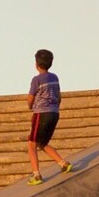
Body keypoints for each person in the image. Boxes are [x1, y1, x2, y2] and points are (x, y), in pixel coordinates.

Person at [23, 49, 73, 185]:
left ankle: (37, 175)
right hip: (54, 113)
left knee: (31, 144)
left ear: (37, 64)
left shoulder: (36, 79)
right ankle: (63, 163)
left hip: (41, 113)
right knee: (42, 143)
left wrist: (30, 106)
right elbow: (59, 95)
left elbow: (30, 97)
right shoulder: (54, 77)